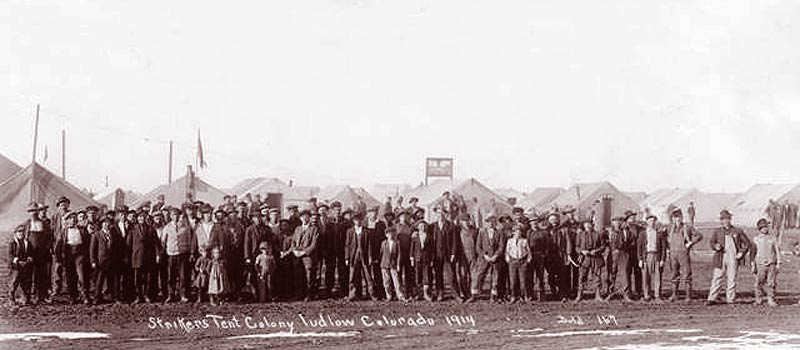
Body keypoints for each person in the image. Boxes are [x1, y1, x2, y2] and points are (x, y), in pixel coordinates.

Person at [706, 210, 751, 306]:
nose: (726, 221)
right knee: (717, 277)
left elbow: (747, 244)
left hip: (733, 257)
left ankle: (730, 299)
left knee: (731, 278)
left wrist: (741, 253)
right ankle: (712, 298)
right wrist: (715, 246)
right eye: (723, 219)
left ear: (730, 219)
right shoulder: (717, 231)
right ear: (721, 220)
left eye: (727, 219)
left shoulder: (737, 231)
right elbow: (711, 243)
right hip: (720, 257)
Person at [666, 208, 703, 302]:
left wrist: (690, 243)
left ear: (682, 217)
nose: (677, 219)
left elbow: (699, 235)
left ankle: (688, 296)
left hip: (684, 254)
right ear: (672, 218)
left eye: (679, 217)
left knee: (687, 275)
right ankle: (674, 295)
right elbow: (663, 238)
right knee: (674, 274)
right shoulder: (669, 228)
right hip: (672, 255)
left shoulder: (687, 227)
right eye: (675, 217)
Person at [55, 211, 91, 304]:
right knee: (70, 277)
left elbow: (88, 242)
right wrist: (59, 259)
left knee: (82, 275)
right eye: (70, 218)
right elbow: (58, 246)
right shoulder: (63, 232)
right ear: (67, 221)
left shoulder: (82, 229)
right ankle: (73, 296)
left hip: (80, 255)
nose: (73, 220)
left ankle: (84, 295)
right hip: (68, 255)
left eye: (74, 218)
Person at [468, 215, 506, 303]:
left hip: (495, 259)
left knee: (495, 277)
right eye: (489, 222)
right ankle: (474, 295)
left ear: (495, 223)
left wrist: (495, 256)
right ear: (486, 223)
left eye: (493, 222)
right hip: (483, 258)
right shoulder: (482, 232)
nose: (491, 224)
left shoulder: (499, 233)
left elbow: (501, 247)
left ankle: (493, 296)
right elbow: (478, 247)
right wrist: (484, 256)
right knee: (478, 276)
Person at [162, 212, 197, 303]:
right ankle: (171, 295)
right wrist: (164, 252)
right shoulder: (167, 227)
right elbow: (163, 242)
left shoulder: (185, 227)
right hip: (171, 254)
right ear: (170, 216)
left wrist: (190, 252)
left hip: (182, 254)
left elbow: (190, 240)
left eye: (177, 215)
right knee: (171, 276)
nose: (175, 217)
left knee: (183, 276)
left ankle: (183, 295)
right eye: (173, 215)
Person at [23, 202, 54, 304]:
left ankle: (40, 296)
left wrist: (46, 248)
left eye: (35, 211)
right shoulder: (26, 224)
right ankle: (26, 297)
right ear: (29, 212)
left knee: (41, 275)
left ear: (38, 211)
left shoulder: (44, 223)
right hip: (29, 254)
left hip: (42, 253)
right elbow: (22, 239)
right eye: (31, 211)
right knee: (27, 275)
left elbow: (50, 238)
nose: (34, 213)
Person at [345, 213, 377, 301]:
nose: (358, 221)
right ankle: (352, 295)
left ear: (362, 221)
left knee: (368, 275)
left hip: (364, 256)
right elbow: (347, 246)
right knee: (353, 276)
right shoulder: (350, 231)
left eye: (359, 220)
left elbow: (370, 246)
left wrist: (370, 257)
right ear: (353, 221)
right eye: (356, 220)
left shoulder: (367, 231)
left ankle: (371, 294)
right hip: (353, 256)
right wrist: (347, 258)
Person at [130, 210, 160, 303]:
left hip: (148, 257)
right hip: (137, 257)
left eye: (143, 217)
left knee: (148, 278)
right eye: (139, 217)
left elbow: (156, 243)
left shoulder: (150, 229)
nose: (141, 219)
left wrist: (157, 254)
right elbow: (128, 244)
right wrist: (128, 256)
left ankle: (146, 295)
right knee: (137, 278)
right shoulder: (133, 229)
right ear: (137, 218)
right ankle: (138, 296)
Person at [289, 210, 319, 301]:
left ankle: (309, 295)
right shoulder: (297, 229)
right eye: (302, 217)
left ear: (309, 218)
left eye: (306, 217)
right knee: (298, 276)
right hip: (297, 256)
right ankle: (299, 294)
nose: (304, 219)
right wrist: (294, 251)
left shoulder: (314, 229)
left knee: (309, 276)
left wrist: (305, 252)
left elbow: (314, 244)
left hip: (308, 257)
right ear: (300, 218)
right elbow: (293, 242)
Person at [574, 220, 607, 302]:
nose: (588, 226)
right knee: (582, 277)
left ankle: (598, 295)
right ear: (584, 225)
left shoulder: (598, 234)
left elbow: (603, 246)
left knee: (597, 277)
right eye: (586, 224)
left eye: (590, 224)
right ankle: (580, 295)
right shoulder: (580, 235)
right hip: (584, 259)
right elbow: (576, 247)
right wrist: (582, 251)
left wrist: (596, 251)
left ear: (592, 225)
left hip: (596, 258)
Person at [605, 216, 636, 302]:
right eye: (615, 221)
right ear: (612, 223)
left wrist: (625, 249)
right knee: (611, 273)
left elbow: (632, 241)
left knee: (624, 274)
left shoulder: (626, 232)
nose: (617, 223)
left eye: (619, 221)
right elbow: (604, 242)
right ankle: (610, 293)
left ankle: (626, 294)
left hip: (623, 254)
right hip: (612, 254)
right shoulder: (608, 232)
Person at [637, 215, 667, 302]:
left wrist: (662, 260)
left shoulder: (659, 233)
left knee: (657, 277)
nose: (652, 223)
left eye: (653, 221)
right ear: (647, 222)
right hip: (646, 256)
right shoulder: (643, 233)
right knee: (646, 277)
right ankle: (647, 295)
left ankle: (657, 295)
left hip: (656, 256)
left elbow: (663, 248)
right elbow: (639, 247)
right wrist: (640, 259)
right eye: (650, 221)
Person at [750, 218, 779, 306]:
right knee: (759, 282)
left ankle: (771, 299)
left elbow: (777, 251)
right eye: (763, 227)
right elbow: (752, 253)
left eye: (766, 227)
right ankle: (759, 299)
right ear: (759, 228)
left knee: (771, 282)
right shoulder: (755, 239)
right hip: (760, 264)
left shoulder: (772, 238)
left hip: (771, 263)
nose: (765, 229)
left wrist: (778, 263)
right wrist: (753, 265)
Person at [90, 218, 119, 304]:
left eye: (108, 223)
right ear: (102, 224)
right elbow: (92, 250)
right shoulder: (97, 235)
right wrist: (93, 261)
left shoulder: (114, 234)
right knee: (99, 281)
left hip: (112, 261)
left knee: (112, 281)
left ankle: (114, 297)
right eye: (105, 223)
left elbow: (116, 248)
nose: (107, 225)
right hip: (101, 262)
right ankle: (97, 298)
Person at [431, 206, 456, 301]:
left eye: (442, 214)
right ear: (436, 215)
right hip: (436, 254)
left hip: (448, 254)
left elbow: (454, 241)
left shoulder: (450, 225)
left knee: (450, 275)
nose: (440, 216)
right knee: (438, 275)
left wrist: (453, 254)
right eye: (438, 214)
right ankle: (440, 292)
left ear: (445, 215)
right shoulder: (432, 226)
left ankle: (454, 293)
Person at [454, 214, 477, 302]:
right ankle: (464, 292)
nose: (466, 222)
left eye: (467, 220)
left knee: (473, 275)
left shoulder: (473, 230)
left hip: (473, 255)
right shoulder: (458, 230)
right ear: (460, 222)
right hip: (462, 255)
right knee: (463, 274)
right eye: (464, 220)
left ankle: (471, 292)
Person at [505, 224, 531, 303]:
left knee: (523, 281)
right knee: (513, 280)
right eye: (516, 232)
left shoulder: (524, 241)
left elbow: (529, 252)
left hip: (522, 261)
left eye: (519, 232)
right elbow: (507, 251)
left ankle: (524, 296)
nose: (518, 233)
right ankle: (513, 296)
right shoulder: (510, 241)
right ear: (513, 233)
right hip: (513, 261)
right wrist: (508, 259)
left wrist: (528, 260)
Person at [9, 224, 34, 305]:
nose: (21, 234)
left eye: (22, 232)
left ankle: (26, 298)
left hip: (26, 266)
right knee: (14, 282)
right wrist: (17, 261)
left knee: (26, 282)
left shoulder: (27, 243)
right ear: (16, 233)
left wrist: (28, 259)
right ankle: (11, 299)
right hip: (16, 266)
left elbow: (30, 253)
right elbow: (11, 254)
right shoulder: (13, 243)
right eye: (19, 232)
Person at [410, 220, 435, 301]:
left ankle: (426, 293)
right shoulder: (415, 236)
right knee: (418, 276)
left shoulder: (429, 236)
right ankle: (419, 294)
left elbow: (432, 249)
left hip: (426, 259)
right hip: (417, 258)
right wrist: (411, 258)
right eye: (420, 226)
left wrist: (431, 260)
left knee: (426, 276)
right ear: (418, 227)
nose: (422, 228)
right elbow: (412, 248)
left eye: (424, 226)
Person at [380, 227, 406, 301]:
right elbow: (381, 254)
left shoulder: (397, 243)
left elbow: (399, 255)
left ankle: (400, 296)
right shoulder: (383, 243)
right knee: (386, 281)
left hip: (393, 264)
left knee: (396, 281)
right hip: (384, 264)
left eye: (392, 233)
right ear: (386, 235)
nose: (390, 235)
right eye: (388, 233)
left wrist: (398, 264)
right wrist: (381, 263)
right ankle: (389, 296)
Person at [51, 196, 70, 296]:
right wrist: (52, 246)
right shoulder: (55, 217)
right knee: (57, 267)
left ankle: (69, 287)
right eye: (61, 205)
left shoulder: (72, 216)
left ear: (68, 205)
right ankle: (56, 288)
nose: (63, 207)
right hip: (58, 245)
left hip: (69, 244)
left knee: (69, 267)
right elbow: (52, 231)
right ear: (58, 207)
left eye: (65, 204)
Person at [394, 211, 415, 299]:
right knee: (398, 273)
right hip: (399, 253)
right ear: (399, 217)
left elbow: (413, 239)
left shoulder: (410, 227)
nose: (404, 218)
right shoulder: (396, 227)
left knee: (408, 273)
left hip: (407, 253)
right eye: (402, 216)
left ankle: (409, 292)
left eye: (405, 216)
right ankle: (399, 292)